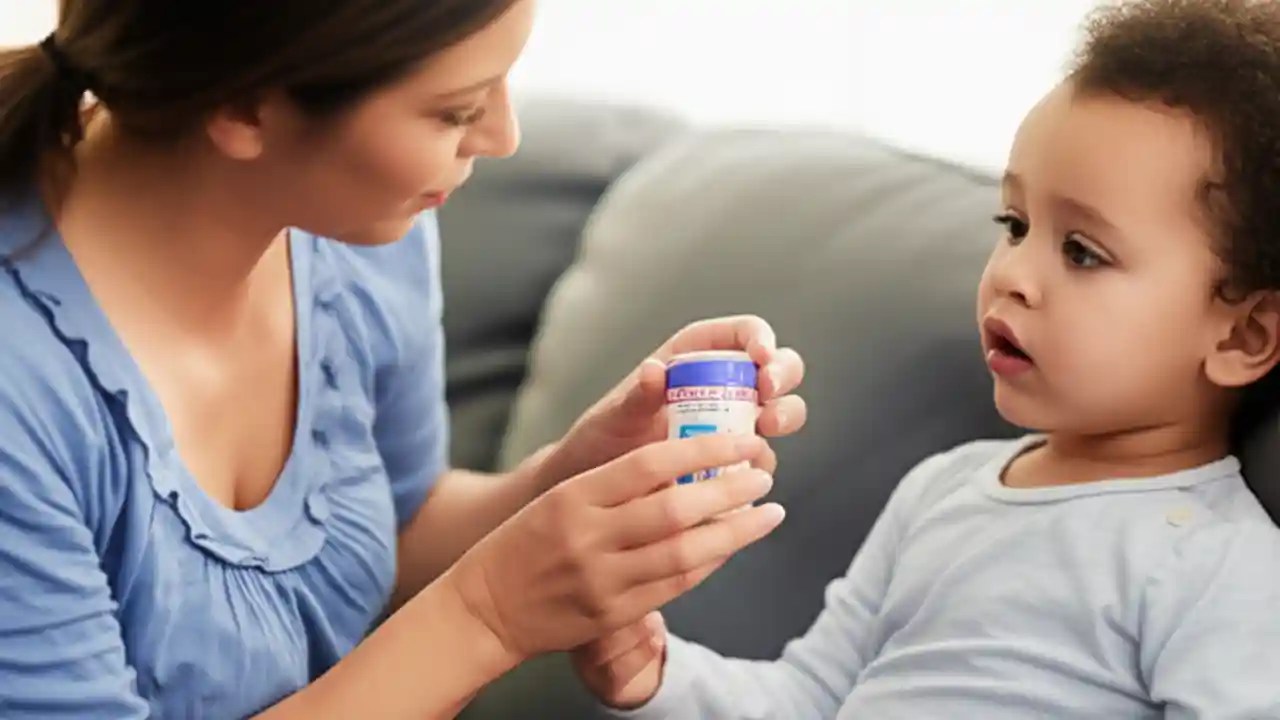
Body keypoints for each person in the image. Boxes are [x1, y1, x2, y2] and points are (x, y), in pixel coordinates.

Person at [0, 1, 809, 718]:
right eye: (457, 110)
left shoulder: (360, 236)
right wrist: (487, 615)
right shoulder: (22, 393)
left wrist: (567, 478)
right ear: (245, 105)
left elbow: (397, 526)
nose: (503, 136)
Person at [574, 1, 1280, 717]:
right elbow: (812, 697)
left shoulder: (1219, 566)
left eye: (1082, 252)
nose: (1012, 274)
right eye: (1015, 225)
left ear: (1242, 338)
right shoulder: (941, 491)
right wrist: (655, 676)